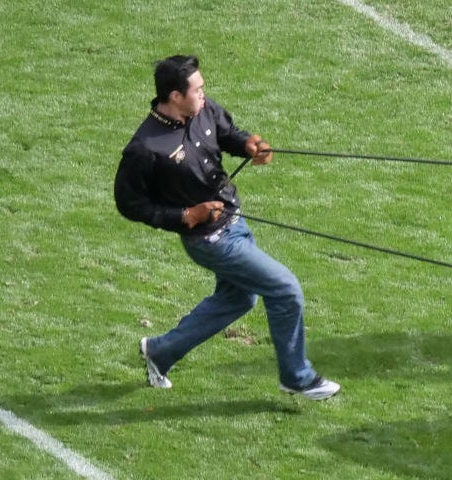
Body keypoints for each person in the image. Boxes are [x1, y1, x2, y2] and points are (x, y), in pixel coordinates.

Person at [113, 55, 339, 400]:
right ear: (175, 96)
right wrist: (184, 216)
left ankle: (160, 351)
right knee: (285, 289)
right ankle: (297, 377)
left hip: (236, 222)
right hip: (210, 240)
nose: (203, 94)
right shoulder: (146, 148)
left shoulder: (203, 110)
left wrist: (248, 145)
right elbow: (130, 204)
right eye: (197, 90)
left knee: (239, 298)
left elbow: (227, 134)